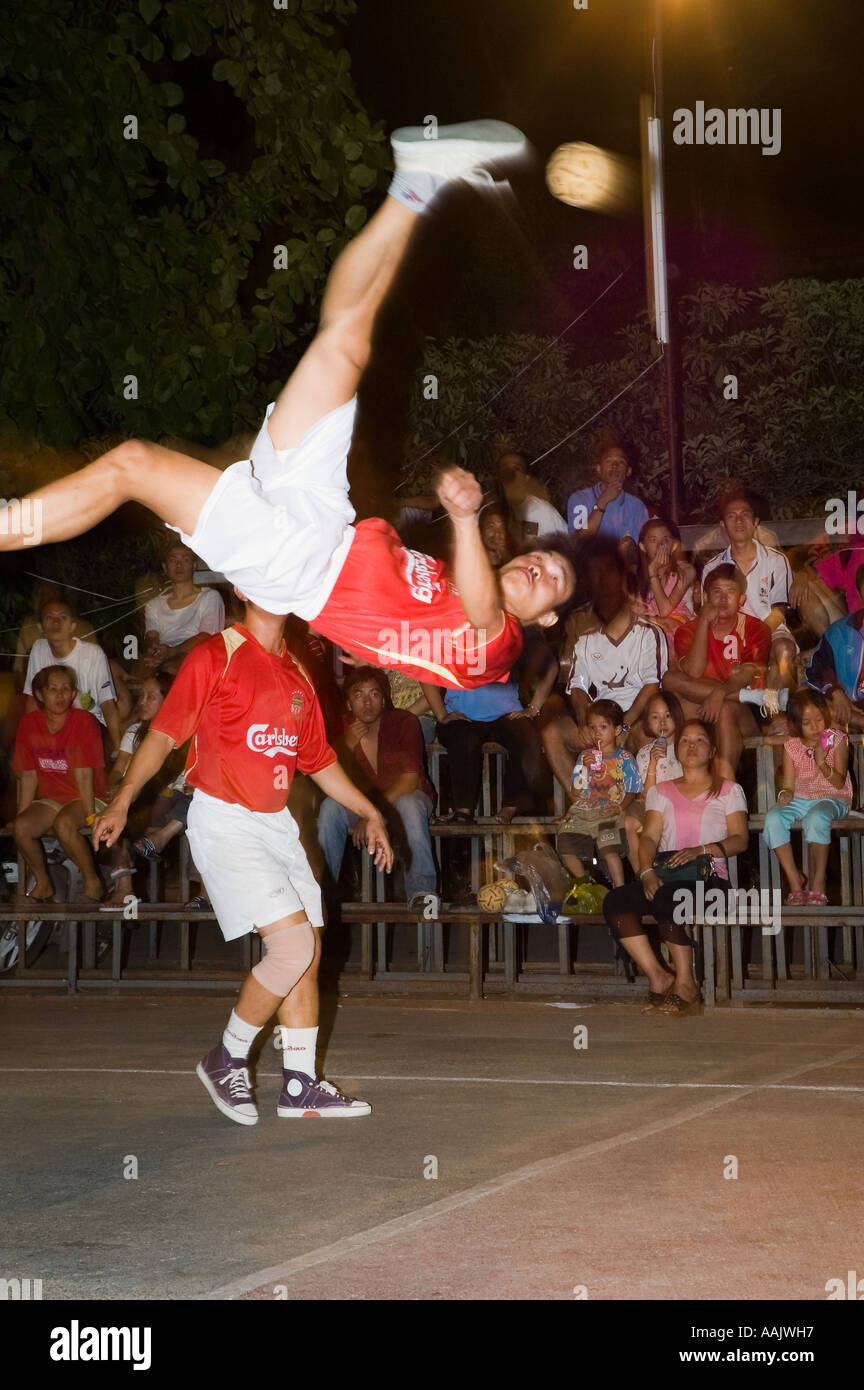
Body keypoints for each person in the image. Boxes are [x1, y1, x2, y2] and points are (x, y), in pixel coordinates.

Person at [1, 120, 577, 691]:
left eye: (554, 579)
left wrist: (463, 517)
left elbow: (481, 617)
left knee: (133, 464)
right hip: (329, 519)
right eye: (547, 559)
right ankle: (415, 183)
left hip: (299, 563)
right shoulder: (453, 579)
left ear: (547, 617)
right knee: (344, 342)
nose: (541, 566)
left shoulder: (498, 650)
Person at [93, 594, 395, 1124]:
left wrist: (370, 810)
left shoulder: (298, 670)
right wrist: (122, 798)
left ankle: (300, 1083)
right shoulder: (216, 655)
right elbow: (164, 734)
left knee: (310, 948)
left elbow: (319, 760)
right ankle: (226, 1056)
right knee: (293, 944)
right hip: (225, 818)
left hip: (275, 824)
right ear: (245, 590)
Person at [603, 719, 749, 1016]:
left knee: (669, 899)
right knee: (616, 901)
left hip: (710, 879)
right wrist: (646, 872)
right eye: (685, 741)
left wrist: (701, 850)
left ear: (712, 750)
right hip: (669, 875)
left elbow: (740, 839)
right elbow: (650, 837)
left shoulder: (728, 790)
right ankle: (659, 976)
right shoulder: (662, 791)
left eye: (700, 740)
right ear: (676, 750)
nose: (692, 746)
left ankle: (686, 984)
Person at [543, 541, 668, 789]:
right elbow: (577, 687)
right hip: (600, 721)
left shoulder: (649, 633)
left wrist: (623, 726)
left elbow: (652, 686)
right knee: (552, 731)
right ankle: (582, 805)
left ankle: (644, 807)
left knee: (649, 735)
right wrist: (584, 720)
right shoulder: (587, 641)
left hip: (635, 719)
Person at [318, 666, 437, 906]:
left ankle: (422, 892)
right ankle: (322, 891)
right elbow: (329, 778)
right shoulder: (342, 728)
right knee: (330, 807)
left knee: (410, 803)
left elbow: (410, 779)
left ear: (384, 700)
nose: (367, 702)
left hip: (404, 803)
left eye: (374, 694)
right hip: (362, 808)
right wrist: (346, 746)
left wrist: (372, 813)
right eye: (358, 695)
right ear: (349, 703)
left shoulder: (404, 721)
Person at [664, 564, 774, 778]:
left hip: (746, 711)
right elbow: (694, 673)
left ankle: (723, 790)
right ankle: (689, 782)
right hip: (703, 707)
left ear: (741, 599)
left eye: (730, 592)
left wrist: (721, 693)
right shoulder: (687, 630)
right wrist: (704, 621)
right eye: (717, 592)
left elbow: (748, 673)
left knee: (723, 708)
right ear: (705, 597)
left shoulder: (755, 628)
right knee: (670, 681)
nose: (723, 600)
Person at [12, 665, 106, 904]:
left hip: (88, 796)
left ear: (74, 694)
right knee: (21, 828)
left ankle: (93, 882)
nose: (60, 695)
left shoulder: (84, 721)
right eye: (53, 689)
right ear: (40, 695)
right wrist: (22, 817)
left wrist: (91, 818)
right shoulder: (29, 724)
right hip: (51, 799)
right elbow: (29, 776)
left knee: (64, 824)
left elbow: (84, 776)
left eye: (66, 689)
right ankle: (43, 883)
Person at [422, 664, 551, 825]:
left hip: (507, 712)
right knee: (464, 737)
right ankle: (463, 810)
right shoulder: (451, 639)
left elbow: (549, 666)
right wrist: (441, 714)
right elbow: (426, 671)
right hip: (462, 714)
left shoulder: (509, 637)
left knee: (526, 734)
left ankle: (511, 806)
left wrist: (533, 707)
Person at [700, 485, 796, 691]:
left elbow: (779, 611)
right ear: (723, 525)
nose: (739, 521)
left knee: (785, 650)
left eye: (745, 515)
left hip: (768, 630)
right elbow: (708, 613)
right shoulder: (712, 567)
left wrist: (754, 639)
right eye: (732, 516)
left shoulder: (776, 560)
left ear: (756, 522)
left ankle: (774, 713)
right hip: (725, 634)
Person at [763, 689, 851, 906]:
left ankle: (818, 880)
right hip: (801, 799)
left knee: (817, 816)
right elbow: (789, 786)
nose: (815, 727)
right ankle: (795, 880)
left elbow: (839, 782)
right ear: (795, 724)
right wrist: (785, 795)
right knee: (773, 818)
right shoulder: (792, 746)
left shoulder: (837, 740)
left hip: (833, 797)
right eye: (807, 722)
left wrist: (822, 763)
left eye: (819, 719)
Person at [556, 700, 641, 886]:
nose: (597, 732)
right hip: (584, 811)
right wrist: (585, 769)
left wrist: (618, 807)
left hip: (609, 811)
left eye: (603, 727)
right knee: (565, 844)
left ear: (617, 730)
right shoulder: (584, 756)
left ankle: (619, 888)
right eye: (593, 727)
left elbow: (632, 791)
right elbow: (576, 791)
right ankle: (586, 884)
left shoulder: (625, 759)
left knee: (608, 848)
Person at [23, 597, 121, 753]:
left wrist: (118, 748)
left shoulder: (92, 654)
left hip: (89, 722)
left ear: (72, 626)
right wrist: (29, 739)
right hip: (53, 722)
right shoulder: (39, 649)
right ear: (40, 627)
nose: (56, 623)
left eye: (63, 617)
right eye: (50, 618)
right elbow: (31, 698)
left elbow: (107, 704)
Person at [142, 540, 226, 675]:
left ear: (194, 566)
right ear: (165, 567)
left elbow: (207, 636)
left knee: (174, 667)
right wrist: (153, 648)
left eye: (185, 560)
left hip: (195, 657)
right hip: (164, 656)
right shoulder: (154, 605)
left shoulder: (210, 597)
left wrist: (172, 651)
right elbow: (152, 635)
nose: (179, 565)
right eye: (173, 560)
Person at [624, 690, 685, 874]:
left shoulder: (684, 747)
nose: (663, 722)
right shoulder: (644, 753)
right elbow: (648, 795)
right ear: (648, 722)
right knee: (628, 824)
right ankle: (642, 873)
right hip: (652, 804)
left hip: (679, 803)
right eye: (655, 717)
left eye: (668, 715)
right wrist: (652, 763)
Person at [804, 563, 864, 731]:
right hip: (848, 711)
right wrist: (836, 693)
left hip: (851, 718)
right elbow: (813, 672)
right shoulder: (840, 631)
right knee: (808, 704)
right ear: (859, 594)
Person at [566, 432, 649, 550]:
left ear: (628, 471)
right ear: (599, 469)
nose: (615, 466)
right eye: (609, 461)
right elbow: (579, 542)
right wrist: (603, 501)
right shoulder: (580, 499)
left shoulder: (637, 506)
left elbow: (639, 550)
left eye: (621, 462)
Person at [632, 517, 696, 632]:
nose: (660, 545)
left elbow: (665, 610)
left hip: (678, 633)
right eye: (653, 540)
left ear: (674, 546)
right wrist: (658, 621)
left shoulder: (686, 570)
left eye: (666, 540)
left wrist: (653, 573)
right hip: (646, 632)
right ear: (643, 547)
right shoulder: (634, 576)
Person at [496, 449, 567, 541]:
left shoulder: (543, 512)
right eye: (505, 468)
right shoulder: (492, 512)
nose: (511, 473)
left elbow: (565, 548)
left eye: (517, 468)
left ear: (526, 478)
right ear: (498, 476)